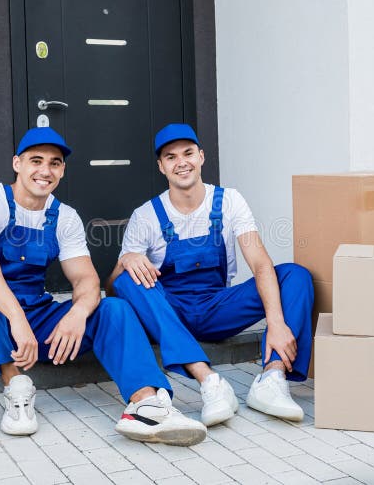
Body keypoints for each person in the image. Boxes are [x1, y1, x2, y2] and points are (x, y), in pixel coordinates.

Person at [0, 126, 206, 446]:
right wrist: (16, 318)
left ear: (62, 170)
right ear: (17, 164)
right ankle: (17, 388)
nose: (45, 170)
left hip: (33, 325)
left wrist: (79, 312)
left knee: (113, 308)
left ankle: (146, 405)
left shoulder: (64, 217)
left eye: (54, 163)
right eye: (36, 160)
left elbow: (86, 279)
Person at [106, 123, 313, 426]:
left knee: (295, 275)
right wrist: (127, 258)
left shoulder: (230, 201)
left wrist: (277, 322)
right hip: (169, 312)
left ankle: (272, 378)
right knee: (127, 278)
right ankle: (210, 383)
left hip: (218, 307)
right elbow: (113, 290)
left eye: (188, 153)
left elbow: (260, 263)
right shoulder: (146, 215)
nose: (182, 162)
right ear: (161, 166)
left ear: (201, 157)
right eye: (171, 157)